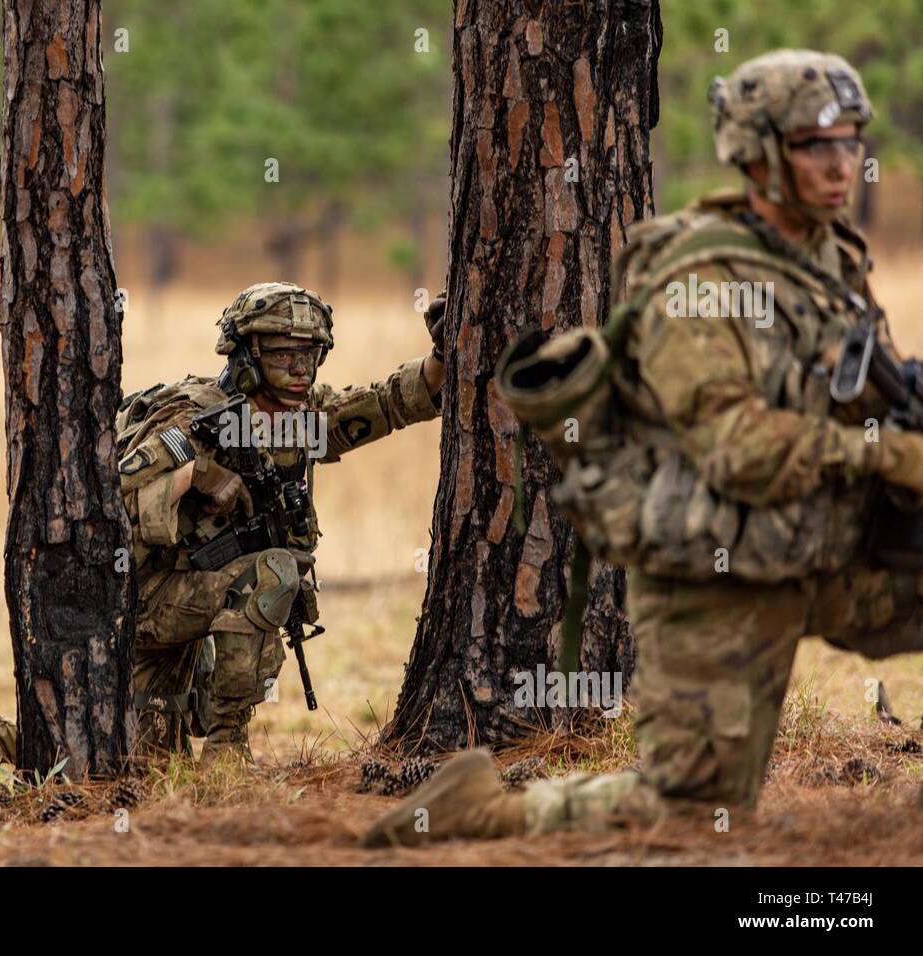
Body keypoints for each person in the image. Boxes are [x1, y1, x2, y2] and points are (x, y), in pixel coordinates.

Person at [365, 49, 923, 847]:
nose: (843, 164)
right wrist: (885, 456)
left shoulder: (832, 259)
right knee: (688, 816)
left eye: (852, 142)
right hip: (720, 570)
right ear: (761, 151)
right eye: (815, 145)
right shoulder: (698, 279)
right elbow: (734, 449)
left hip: (827, 543)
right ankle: (479, 810)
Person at [0, 281, 446, 804]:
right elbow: (105, 508)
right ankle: (228, 748)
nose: (300, 370)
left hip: (193, 622)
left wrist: (440, 356)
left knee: (133, 772)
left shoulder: (299, 420)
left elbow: (385, 405)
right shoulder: (195, 420)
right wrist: (195, 477)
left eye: (310, 355)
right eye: (282, 356)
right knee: (273, 573)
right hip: (139, 606)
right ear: (247, 357)